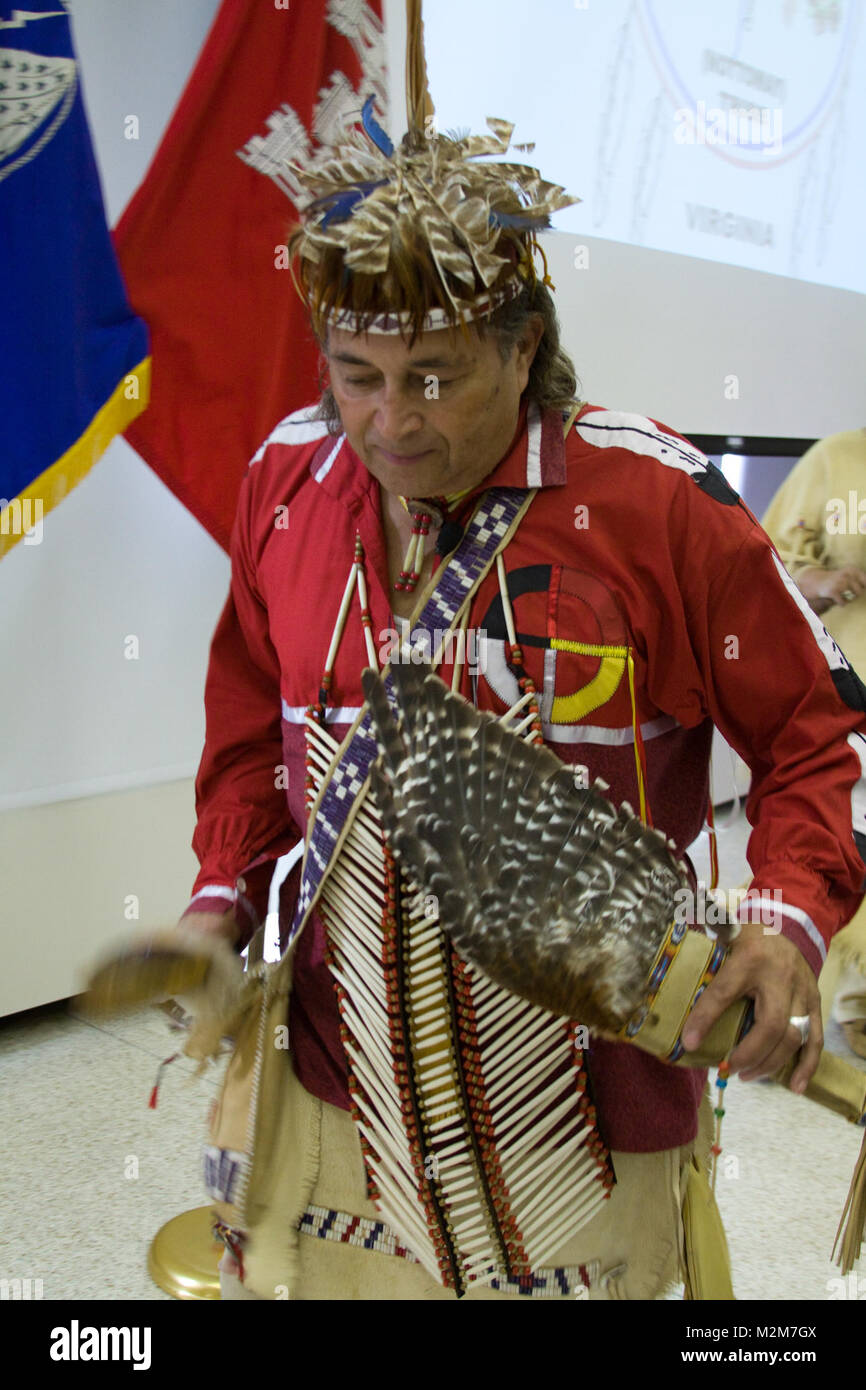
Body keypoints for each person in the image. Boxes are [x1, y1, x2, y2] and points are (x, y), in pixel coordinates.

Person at [179, 109, 866, 1301]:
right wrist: (217, 897)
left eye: (433, 379)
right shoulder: (285, 482)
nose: (389, 422)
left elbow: (819, 734)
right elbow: (249, 723)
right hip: (335, 1082)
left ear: (522, 344)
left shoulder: (657, 506)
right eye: (357, 377)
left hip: (587, 1108)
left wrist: (787, 915)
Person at [762, 430, 866, 1059]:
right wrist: (823, 579)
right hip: (849, 697)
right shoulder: (838, 459)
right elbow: (766, 559)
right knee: (838, 845)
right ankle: (825, 1003)